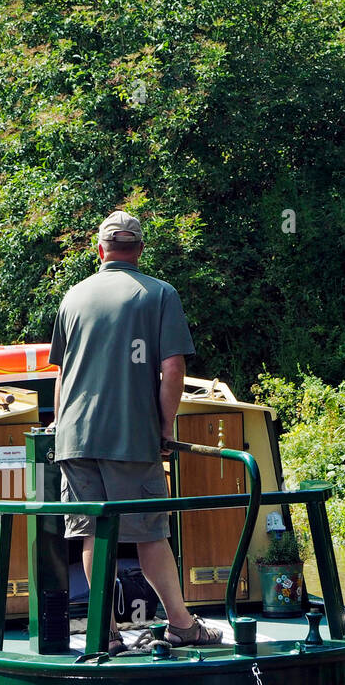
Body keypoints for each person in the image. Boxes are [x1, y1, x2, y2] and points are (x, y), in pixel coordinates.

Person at [48, 209, 221, 652]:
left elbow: (62, 375)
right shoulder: (159, 294)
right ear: (140, 249)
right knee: (148, 532)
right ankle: (181, 624)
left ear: (99, 249)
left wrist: (62, 428)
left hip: (74, 437)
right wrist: (163, 429)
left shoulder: (73, 296)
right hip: (130, 437)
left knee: (93, 532)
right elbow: (173, 368)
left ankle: (103, 632)